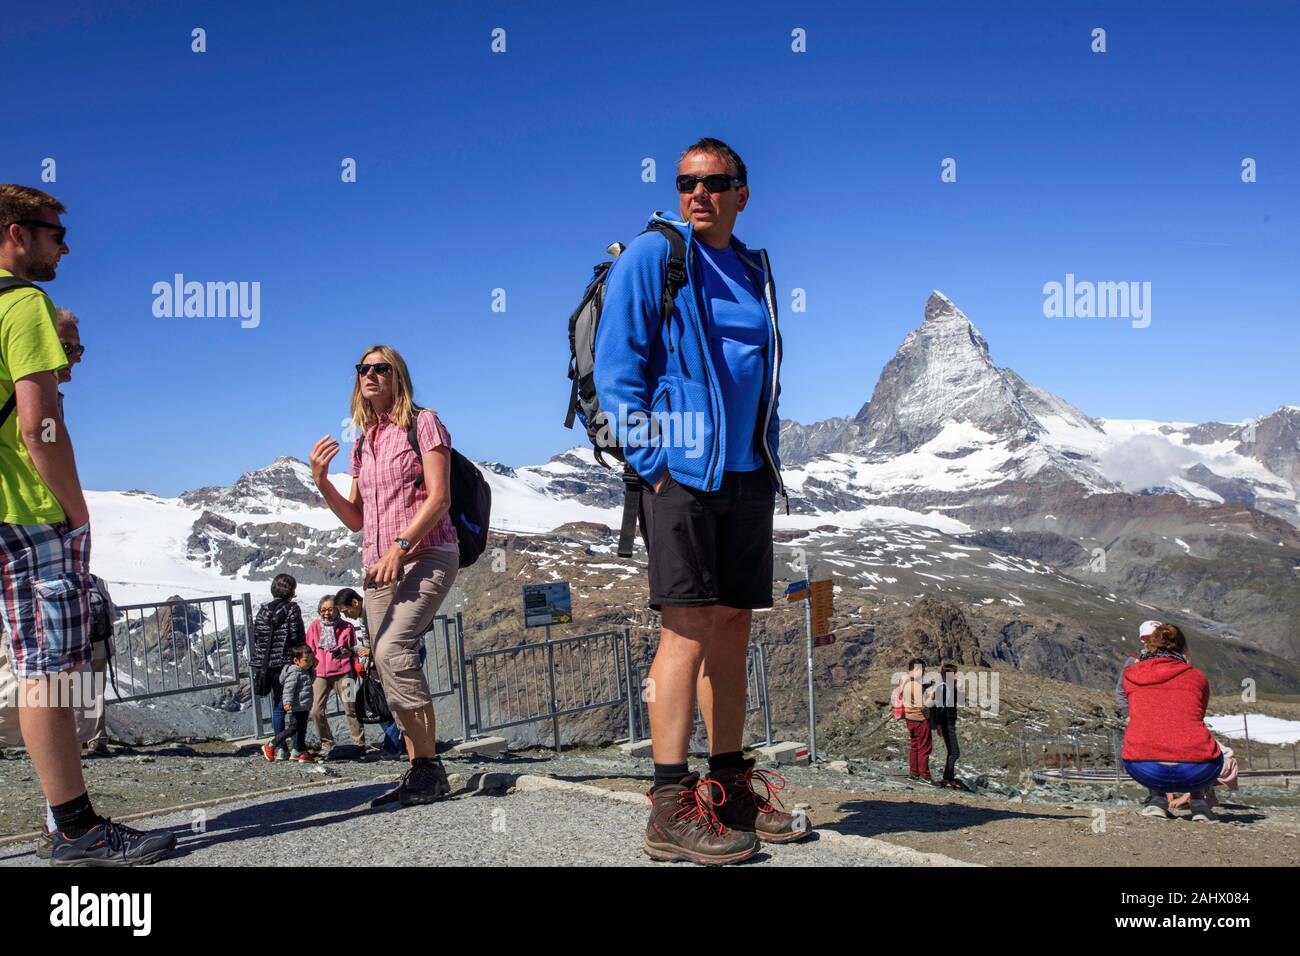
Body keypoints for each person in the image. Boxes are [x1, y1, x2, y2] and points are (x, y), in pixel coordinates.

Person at [593, 137, 801, 865]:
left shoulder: (754, 267)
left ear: (743, 192)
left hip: (746, 475)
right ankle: (669, 803)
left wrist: (764, 458)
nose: (698, 194)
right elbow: (615, 372)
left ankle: (730, 786)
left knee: (734, 628)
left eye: (715, 183)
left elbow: (761, 373)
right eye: (687, 182)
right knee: (684, 630)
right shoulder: (655, 256)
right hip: (678, 476)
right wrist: (653, 465)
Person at [0, 183, 174, 865]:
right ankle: (75, 828)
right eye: (54, 233)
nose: (65, 247)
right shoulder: (23, 304)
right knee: (47, 671)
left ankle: (58, 818)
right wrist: (76, 512)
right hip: (25, 513)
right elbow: (40, 424)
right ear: (16, 233)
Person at [310, 345, 459, 805]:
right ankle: (420, 769)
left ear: (398, 377)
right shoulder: (363, 441)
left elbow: (439, 499)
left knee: (393, 649)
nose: (370, 375)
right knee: (388, 660)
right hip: (378, 568)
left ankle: (429, 767)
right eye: (363, 369)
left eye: (381, 368)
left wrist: (400, 546)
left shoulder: (423, 422)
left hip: (427, 553)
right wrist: (322, 482)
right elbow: (357, 518)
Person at [1119, 622, 1223, 822]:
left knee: (1148, 735)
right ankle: (1199, 803)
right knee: (1201, 742)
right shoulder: (1197, 678)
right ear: (1183, 649)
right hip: (1197, 771)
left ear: (1150, 646)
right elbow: (1197, 715)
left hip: (1144, 768)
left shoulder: (1131, 675)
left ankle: (1156, 801)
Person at [249, 573, 307, 759]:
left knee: (277, 705)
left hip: (266, 665)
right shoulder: (292, 609)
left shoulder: (263, 610)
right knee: (294, 704)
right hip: (287, 662)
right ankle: (297, 748)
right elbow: (296, 637)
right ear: (291, 590)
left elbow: (258, 637)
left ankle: (280, 748)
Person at [305, 595, 365, 756]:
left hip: (345, 673)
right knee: (315, 710)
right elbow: (309, 650)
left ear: (337, 610)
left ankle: (359, 743)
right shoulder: (314, 627)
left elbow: (354, 650)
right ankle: (326, 742)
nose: (326, 613)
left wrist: (355, 668)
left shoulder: (347, 627)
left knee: (351, 707)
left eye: (330, 609)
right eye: (323, 610)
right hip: (320, 674)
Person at [261, 643, 316, 763]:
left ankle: (301, 752)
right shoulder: (294, 673)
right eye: (306, 660)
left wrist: (312, 668)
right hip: (297, 706)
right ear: (296, 660)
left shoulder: (304, 670)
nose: (310, 663)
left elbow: (311, 680)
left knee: (302, 729)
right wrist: (287, 702)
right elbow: (288, 690)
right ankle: (271, 744)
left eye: (311, 660)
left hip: (304, 706)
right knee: (293, 728)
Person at [901, 658, 935, 784]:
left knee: (914, 746)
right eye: (923, 670)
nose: (924, 673)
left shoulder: (904, 680)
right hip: (920, 719)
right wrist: (932, 697)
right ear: (917, 669)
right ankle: (925, 776)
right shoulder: (915, 685)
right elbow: (923, 706)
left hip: (909, 718)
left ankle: (914, 773)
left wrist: (925, 686)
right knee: (924, 748)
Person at [932, 662, 961, 788]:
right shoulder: (942, 688)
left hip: (949, 722)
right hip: (946, 723)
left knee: (951, 751)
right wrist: (939, 725)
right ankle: (947, 778)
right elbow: (939, 708)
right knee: (955, 752)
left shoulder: (949, 687)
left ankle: (949, 778)